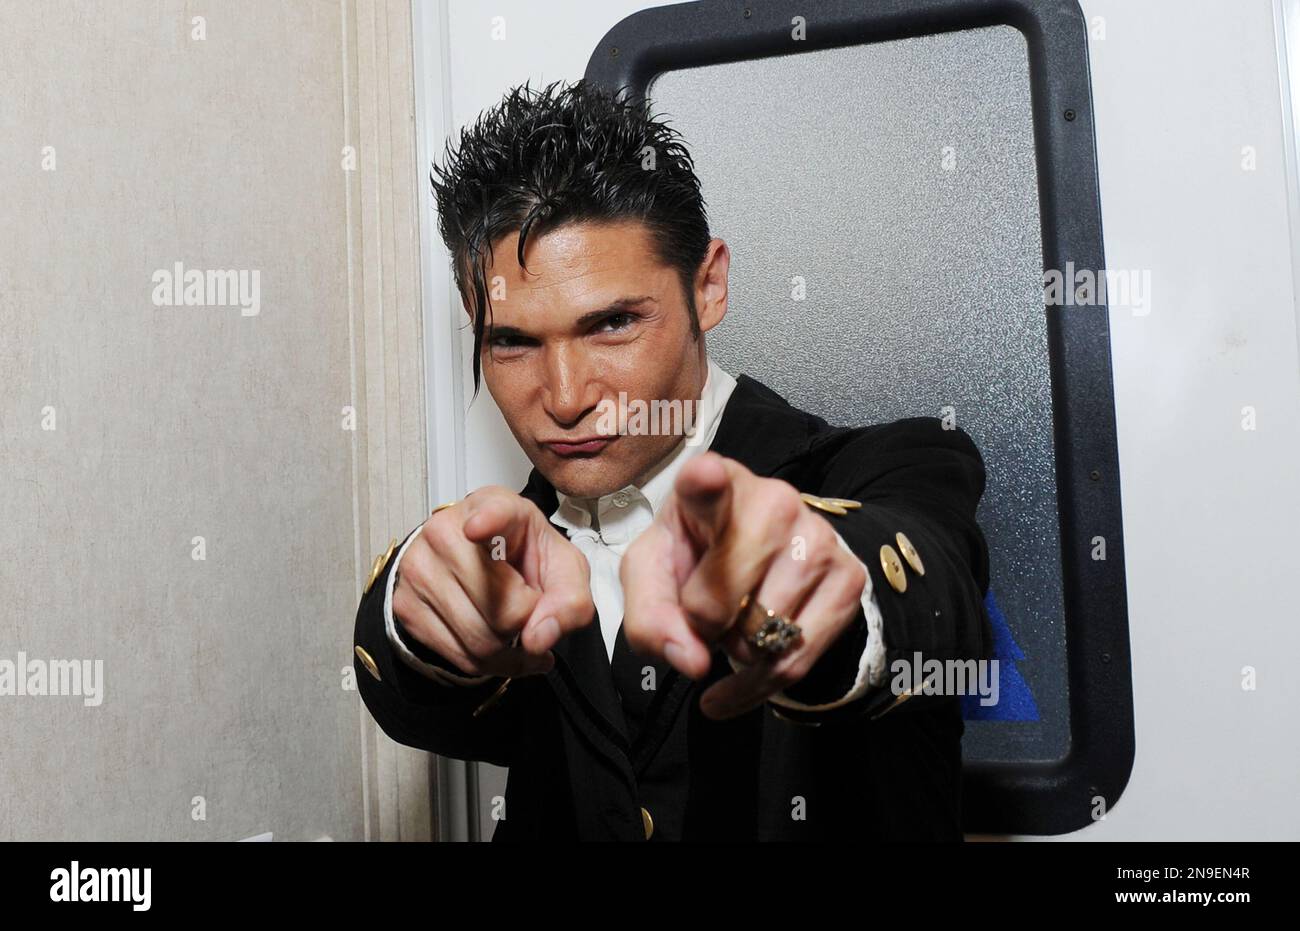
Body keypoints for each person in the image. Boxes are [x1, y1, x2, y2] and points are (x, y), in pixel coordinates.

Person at [351, 79, 993, 841]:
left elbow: (928, 589)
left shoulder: (888, 463)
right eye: (512, 341)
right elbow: (410, 695)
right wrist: (414, 604)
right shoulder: (505, 554)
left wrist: (806, 575)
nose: (563, 396)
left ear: (709, 286)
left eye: (613, 323)